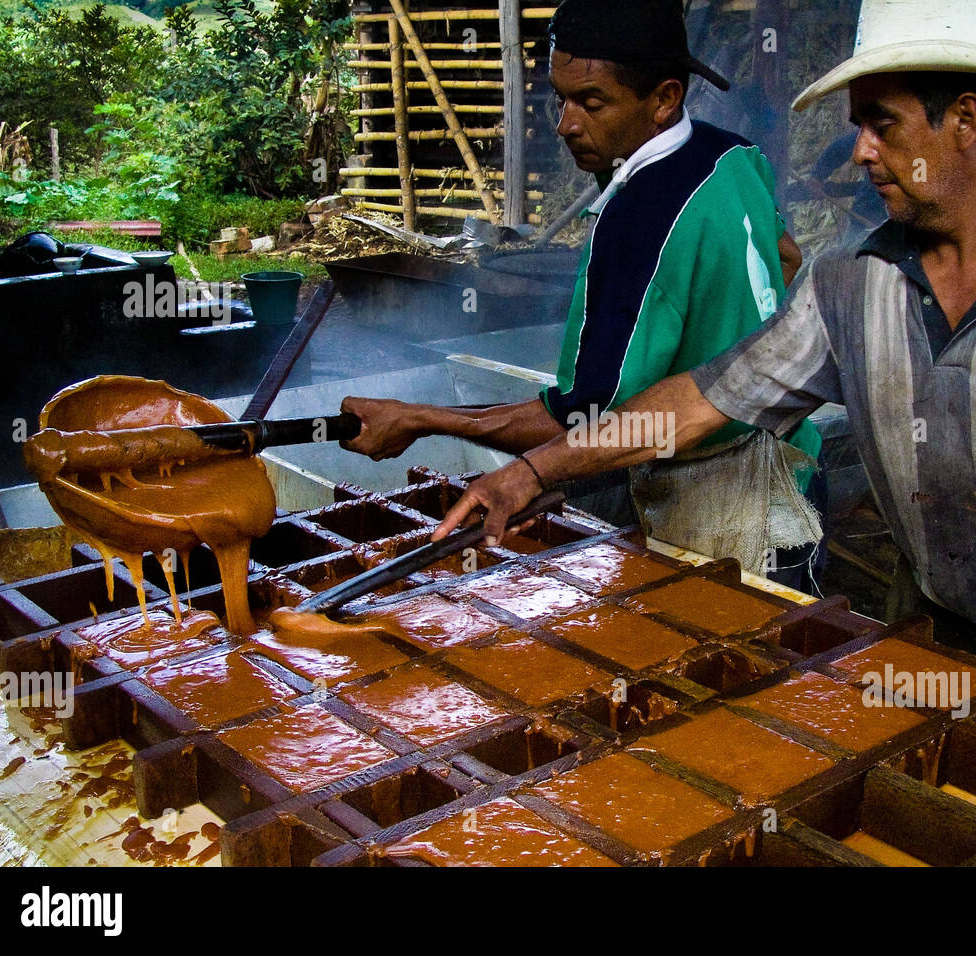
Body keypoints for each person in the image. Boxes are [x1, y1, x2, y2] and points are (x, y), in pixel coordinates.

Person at [429, 0, 976, 746]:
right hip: (929, 629)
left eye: (881, 123)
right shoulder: (852, 278)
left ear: (967, 120)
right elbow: (698, 401)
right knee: (932, 817)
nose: (860, 152)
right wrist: (535, 472)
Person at [342, 0, 827, 593]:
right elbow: (786, 255)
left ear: (664, 98)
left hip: (729, 509)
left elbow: (582, 422)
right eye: (560, 98)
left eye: (592, 103)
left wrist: (419, 418)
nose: (566, 123)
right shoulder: (729, 153)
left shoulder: (638, 222)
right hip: (792, 466)